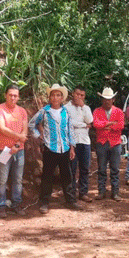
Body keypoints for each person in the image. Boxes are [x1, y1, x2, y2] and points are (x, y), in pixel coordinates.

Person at [29, 84, 81, 214]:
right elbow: (32, 124)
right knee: (47, 176)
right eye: (53, 95)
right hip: (50, 149)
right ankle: (45, 202)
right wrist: (39, 136)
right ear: (49, 97)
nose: (55, 97)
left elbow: (70, 130)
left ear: (62, 98)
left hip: (64, 148)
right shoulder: (44, 111)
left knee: (67, 175)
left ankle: (70, 200)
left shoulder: (66, 112)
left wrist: (72, 147)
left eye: (58, 95)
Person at [0, 85, 29, 218]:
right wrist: (19, 137)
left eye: (15, 95)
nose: (13, 97)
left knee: (17, 179)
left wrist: (17, 145)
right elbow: (2, 128)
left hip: (19, 150)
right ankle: (1, 206)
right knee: (2, 179)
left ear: (18, 97)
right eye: (10, 95)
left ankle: (16, 205)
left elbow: (25, 130)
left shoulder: (22, 111)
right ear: (5, 95)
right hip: (3, 150)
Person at [93, 87, 125, 201]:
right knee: (101, 169)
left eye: (109, 99)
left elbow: (120, 126)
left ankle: (115, 192)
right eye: (105, 99)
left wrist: (105, 125)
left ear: (113, 99)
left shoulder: (119, 112)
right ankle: (101, 191)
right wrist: (111, 123)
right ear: (102, 99)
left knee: (115, 169)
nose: (107, 101)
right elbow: (96, 124)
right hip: (102, 143)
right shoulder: (97, 111)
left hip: (115, 143)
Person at [65, 85, 93, 202]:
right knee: (72, 168)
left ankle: (83, 192)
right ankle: (71, 194)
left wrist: (82, 107)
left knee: (85, 168)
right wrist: (83, 125)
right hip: (72, 142)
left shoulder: (86, 108)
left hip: (85, 141)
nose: (79, 97)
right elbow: (69, 123)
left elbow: (90, 121)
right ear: (72, 94)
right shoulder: (66, 108)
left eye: (82, 95)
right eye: (77, 94)